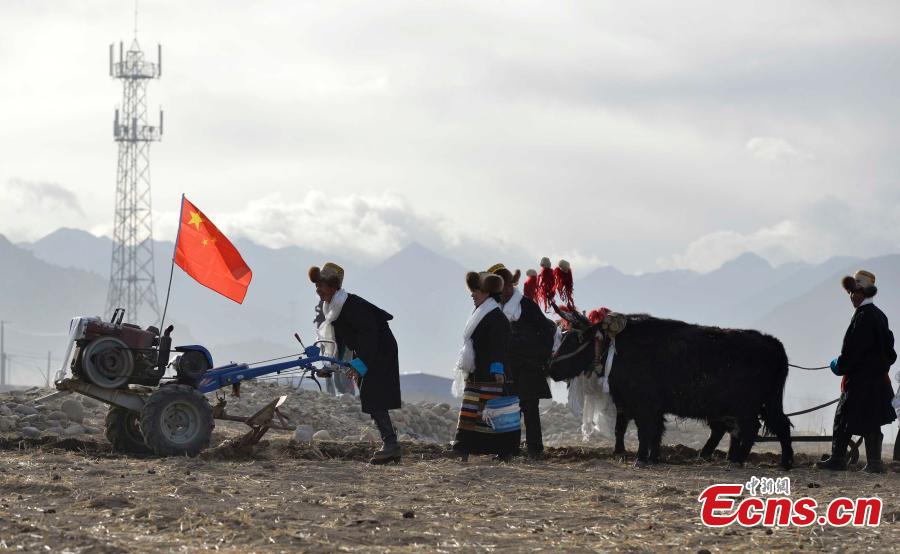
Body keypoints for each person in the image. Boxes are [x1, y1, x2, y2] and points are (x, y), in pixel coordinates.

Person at [309, 262, 402, 464]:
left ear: (332, 287)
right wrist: (329, 367)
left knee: (372, 392)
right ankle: (390, 442)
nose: (317, 290)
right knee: (369, 392)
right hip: (368, 351)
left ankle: (391, 444)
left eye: (321, 285)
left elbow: (370, 335)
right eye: (316, 285)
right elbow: (340, 343)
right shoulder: (333, 308)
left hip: (380, 350)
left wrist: (359, 364)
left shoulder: (352, 306)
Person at [817, 270, 897, 473]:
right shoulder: (879, 315)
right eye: (851, 292)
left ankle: (838, 459)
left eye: (857, 292)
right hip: (876, 380)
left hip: (859, 381)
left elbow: (853, 350)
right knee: (871, 420)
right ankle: (874, 463)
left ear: (865, 293)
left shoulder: (863, 317)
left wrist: (839, 365)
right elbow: (890, 352)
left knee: (843, 416)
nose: (853, 296)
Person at [451, 271, 519, 461]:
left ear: (487, 293)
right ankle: (463, 449)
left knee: (493, 413)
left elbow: (499, 346)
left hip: (490, 376)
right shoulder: (481, 314)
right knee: (470, 414)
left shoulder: (496, 318)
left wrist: (497, 369)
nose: (472, 295)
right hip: (477, 373)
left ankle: (503, 452)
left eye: (477, 291)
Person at [488, 263, 555, 459]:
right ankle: (508, 450)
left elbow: (547, 331)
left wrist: (538, 356)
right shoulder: (495, 308)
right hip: (507, 367)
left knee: (530, 408)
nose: (507, 290)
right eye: (503, 286)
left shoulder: (527, 305)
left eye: (509, 285)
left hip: (529, 366)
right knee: (507, 410)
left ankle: (535, 450)